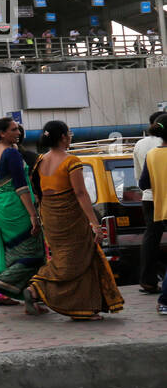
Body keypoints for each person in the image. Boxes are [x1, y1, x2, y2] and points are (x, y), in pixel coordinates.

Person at [28, 120, 124, 320]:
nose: (70, 136)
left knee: (75, 259)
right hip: (70, 219)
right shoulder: (71, 161)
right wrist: (95, 224)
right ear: (63, 137)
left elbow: (38, 195)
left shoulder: (39, 161)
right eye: (69, 133)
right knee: (73, 261)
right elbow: (81, 194)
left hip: (51, 218)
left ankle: (82, 308)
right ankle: (37, 287)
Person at [0, 117, 45, 314]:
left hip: (0, 207)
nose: (18, 133)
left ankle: (30, 301)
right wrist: (33, 215)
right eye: (14, 130)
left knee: (15, 255)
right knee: (34, 255)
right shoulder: (11, 153)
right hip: (16, 206)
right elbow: (21, 187)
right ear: (2, 133)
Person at [133, 112, 167, 293]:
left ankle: (147, 281)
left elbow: (140, 179)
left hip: (149, 198)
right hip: (163, 197)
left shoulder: (141, 145)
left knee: (151, 238)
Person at [138, 132, 167, 315]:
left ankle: (164, 301)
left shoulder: (152, 154)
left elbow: (143, 184)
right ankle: (164, 300)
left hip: (162, 209)